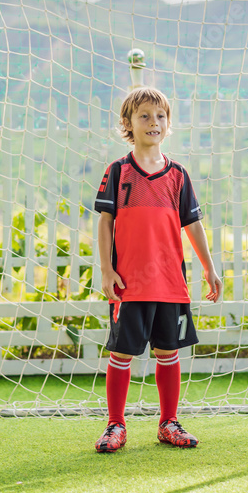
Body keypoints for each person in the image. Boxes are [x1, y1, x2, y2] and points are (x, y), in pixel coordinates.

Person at [93, 86, 222, 453]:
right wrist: (107, 270)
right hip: (129, 283)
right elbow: (105, 222)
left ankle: (169, 422)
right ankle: (115, 425)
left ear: (168, 123)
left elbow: (193, 225)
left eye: (160, 116)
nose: (154, 122)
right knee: (122, 354)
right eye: (145, 116)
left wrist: (209, 268)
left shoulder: (178, 175)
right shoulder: (118, 171)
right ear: (128, 124)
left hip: (170, 283)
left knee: (168, 352)